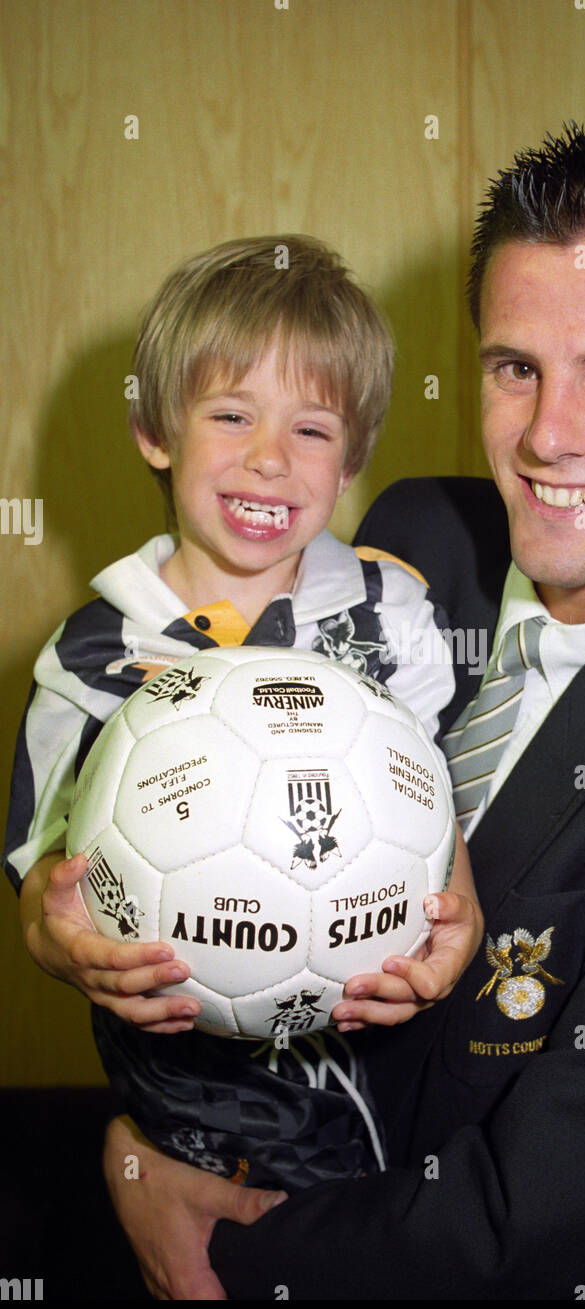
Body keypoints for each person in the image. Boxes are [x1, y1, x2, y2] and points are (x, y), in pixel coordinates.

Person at [106, 115, 585, 1301]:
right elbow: (206, 829)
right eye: (516, 366)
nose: (546, 435)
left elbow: (527, 1220)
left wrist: (208, 1241)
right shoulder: (414, 540)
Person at [4, 235, 482, 1195]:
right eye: (231, 415)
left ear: (353, 457)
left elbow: (432, 796)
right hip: (186, 1117)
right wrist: (57, 944)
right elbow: (40, 881)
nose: (270, 461)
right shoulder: (94, 656)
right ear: (156, 430)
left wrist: (456, 916)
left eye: (311, 430)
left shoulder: (393, 612)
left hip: (386, 1111)